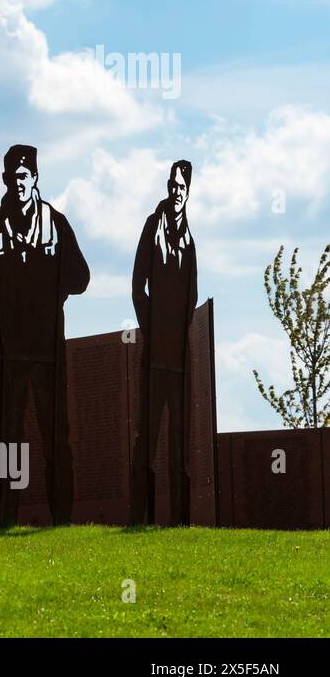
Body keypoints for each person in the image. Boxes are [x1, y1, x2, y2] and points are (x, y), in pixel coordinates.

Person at [0, 144, 89, 528]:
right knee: (6, 440)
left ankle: (62, 518)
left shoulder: (55, 223)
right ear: (5, 180)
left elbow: (81, 278)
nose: (19, 183)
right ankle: (5, 518)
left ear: (36, 178)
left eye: (25, 177)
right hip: (7, 353)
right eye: (13, 177)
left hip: (47, 351)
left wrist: (47, 290)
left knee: (56, 436)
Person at [129, 160, 197, 526]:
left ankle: (180, 521)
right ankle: (140, 517)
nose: (176, 191)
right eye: (172, 184)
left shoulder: (189, 238)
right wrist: (153, 328)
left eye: (182, 187)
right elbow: (138, 285)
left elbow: (192, 292)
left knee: (179, 444)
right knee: (147, 438)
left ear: (189, 191)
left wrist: (179, 333)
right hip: (155, 355)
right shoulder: (151, 227)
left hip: (179, 358)